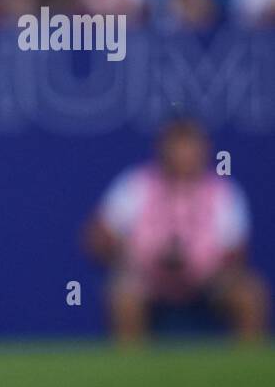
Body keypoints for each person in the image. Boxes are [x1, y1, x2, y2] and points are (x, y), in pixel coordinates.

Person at [85, 118, 268, 342]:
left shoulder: (224, 191)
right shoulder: (136, 184)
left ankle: (246, 368)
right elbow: (98, 237)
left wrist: (203, 267)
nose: (183, 156)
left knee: (249, 293)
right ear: (163, 150)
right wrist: (124, 256)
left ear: (203, 150)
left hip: (207, 279)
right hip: (146, 277)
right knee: (123, 293)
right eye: (177, 148)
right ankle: (129, 369)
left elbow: (235, 252)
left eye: (190, 148)